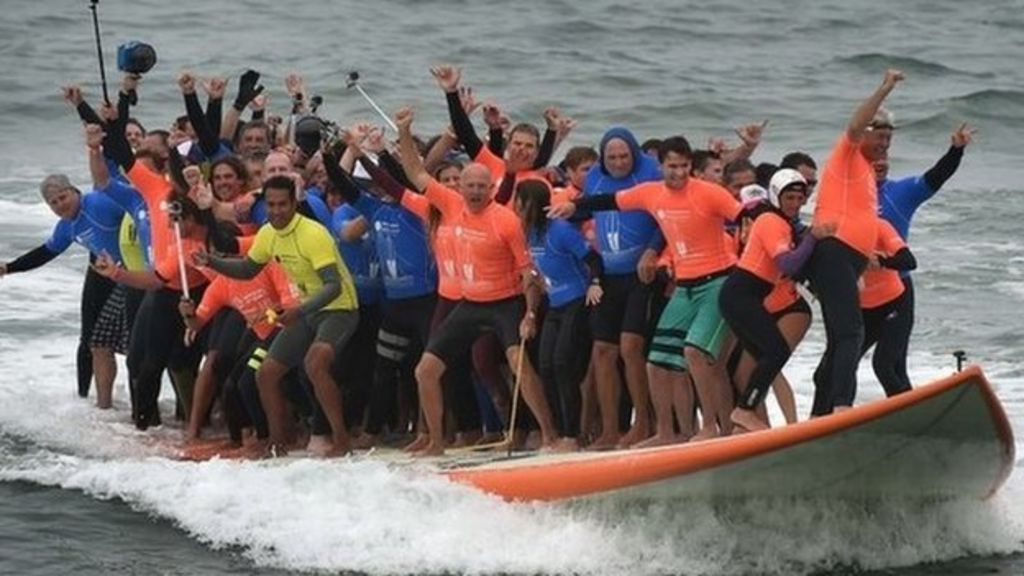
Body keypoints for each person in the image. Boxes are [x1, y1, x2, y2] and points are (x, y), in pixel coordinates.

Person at [552, 136, 757, 444]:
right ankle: (666, 433)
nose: (679, 173)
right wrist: (573, 206)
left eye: (685, 166)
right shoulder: (651, 193)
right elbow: (610, 200)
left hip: (718, 283)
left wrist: (754, 240)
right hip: (685, 288)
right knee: (657, 363)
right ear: (660, 166)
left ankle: (714, 429)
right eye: (672, 166)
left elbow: (746, 215)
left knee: (696, 355)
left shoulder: (709, 193)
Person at [392, 106, 566, 456]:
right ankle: (437, 445)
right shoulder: (450, 203)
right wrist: (405, 131)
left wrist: (530, 314)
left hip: (506, 303)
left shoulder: (505, 221)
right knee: (425, 370)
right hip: (470, 305)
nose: (473, 192)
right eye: (469, 185)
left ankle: (550, 435)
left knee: (519, 364)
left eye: (480, 187)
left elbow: (528, 273)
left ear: (491, 188)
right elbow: (413, 172)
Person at [196, 175, 359, 456]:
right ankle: (277, 442)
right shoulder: (268, 233)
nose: (276, 211)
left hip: (339, 309)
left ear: (294, 203)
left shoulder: (313, 234)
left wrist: (299, 310)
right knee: (266, 373)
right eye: (270, 205)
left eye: (282, 204)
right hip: (306, 311)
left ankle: (341, 440)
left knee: (315, 363)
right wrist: (210, 261)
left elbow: (334, 287)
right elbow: (247, 269)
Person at [807, 69, 904, 416]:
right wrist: (885, 89)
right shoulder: (846, 154)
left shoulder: (864, 168)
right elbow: (854, 125)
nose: (883, 146)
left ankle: (817, 419)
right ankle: (841, 409)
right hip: (834, 255)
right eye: (878, 138)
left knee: (839, 344)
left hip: (845, 261)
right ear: (864, 134)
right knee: (851, 334)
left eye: (888, 141)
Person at [719, 169, 832, 431]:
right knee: (777, 351)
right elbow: (788, 264)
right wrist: (814, 237)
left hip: (745, 297)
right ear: (775, 196)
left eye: (798, 198)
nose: (794, 204)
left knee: (766, 360)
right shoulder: (771, 220)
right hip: (740, 295)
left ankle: (744, 425)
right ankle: (744, 412)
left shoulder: (784, 224)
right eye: (788, 198)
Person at [1, 174, 126, 408]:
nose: (60, 205)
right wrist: (9, 268)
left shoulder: (98, 203)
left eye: (63, 197)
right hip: (102, 271)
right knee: (89, 339)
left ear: (74, 191)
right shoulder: (66, 227)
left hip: (134, 270)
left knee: (131, 342)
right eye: (53, 203)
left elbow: (137, 210)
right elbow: (46, 253)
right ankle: (84, 399)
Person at [577, 126, 665, 449]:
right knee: (602, 351)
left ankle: (642, 423)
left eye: (624, 155)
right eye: (611, 157)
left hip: (641, 275)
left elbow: (664, 218)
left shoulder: (650, 173)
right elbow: (585, 209)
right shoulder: (594, 178)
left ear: (634, 152)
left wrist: (653, 250)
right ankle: (611, 430)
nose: (618, 162)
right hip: (608, 276)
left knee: (630, 348)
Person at [515, 178, 604, 444]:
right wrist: (534, 281)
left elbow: (593, 259)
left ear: (528, 203)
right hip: (554, 304)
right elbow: (540, 265)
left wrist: (595, 284)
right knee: (545, 365)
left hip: (576, 302)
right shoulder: (531, 231)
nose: (515, 206)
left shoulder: (561, 229)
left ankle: (572, 435)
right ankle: (555, 433)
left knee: (563, 365)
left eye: (518, 201)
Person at [857, 217, 917, 397]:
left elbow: (909, 261)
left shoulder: (879, 226)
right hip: (865, 310)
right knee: (841, 365)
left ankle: (907, 414)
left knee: (885, 365)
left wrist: (883, 261)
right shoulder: (836, 234)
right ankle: (835, 415)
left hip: (894, 303)